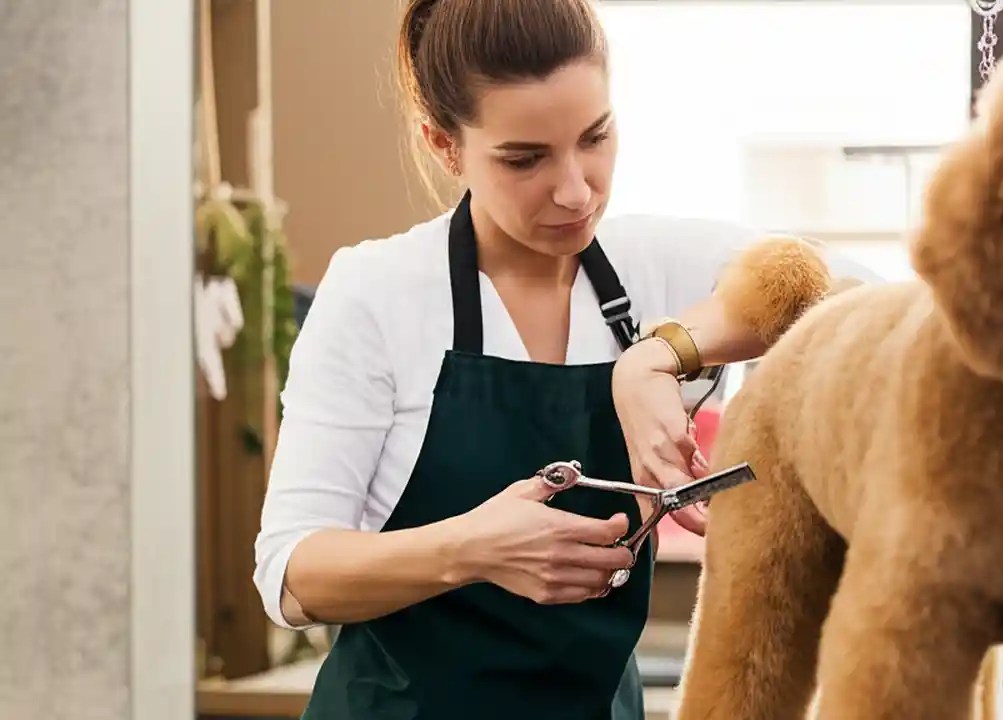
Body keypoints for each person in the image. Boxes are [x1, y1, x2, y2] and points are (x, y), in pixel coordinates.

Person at [252, 0, 877, 718]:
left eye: (595, 137)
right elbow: (292, 575)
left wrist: (655, 357)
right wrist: (472, 549)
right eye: (525, 159)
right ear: (445, 145)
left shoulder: (654, 266)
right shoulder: (377, 291)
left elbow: (859, 301)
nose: (576, 190)